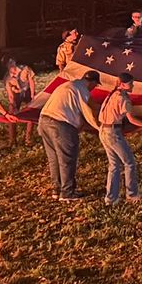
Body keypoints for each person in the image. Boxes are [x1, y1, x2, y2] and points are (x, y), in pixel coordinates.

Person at [39, 69, 101, 201]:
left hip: (44, 120)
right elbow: (88, 113)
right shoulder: (82, 90)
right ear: (92, 82)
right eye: (95, 85)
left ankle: (56, 189)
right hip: (61, 124)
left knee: (54, 158)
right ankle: (67, 192)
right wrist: (100, 128)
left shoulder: (68, 85)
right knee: (67, 158)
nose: (94, 88)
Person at [98, 71, 142, 205]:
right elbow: (131, 119)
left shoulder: (112, 94)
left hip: (103, 129)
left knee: (114, 165)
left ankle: (111, 198)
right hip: (112, 132)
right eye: (130, 83)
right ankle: (132, 194)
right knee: (129, 162)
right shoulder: (123, 99)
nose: (133, 86)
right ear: (122, 84)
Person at [3, 56, 36, 144]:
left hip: (27, 91)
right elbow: (10, 94)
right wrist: (13, 104)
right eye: (9, 63)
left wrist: (33, 95)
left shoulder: (25, 69)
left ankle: (28, 138)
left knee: (31, 111)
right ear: (6, 66)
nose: (12, 65)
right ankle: (12, 140)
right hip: (17, 94)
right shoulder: (7, 78)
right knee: (11, 112)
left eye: (12, 62)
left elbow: (31, 82)